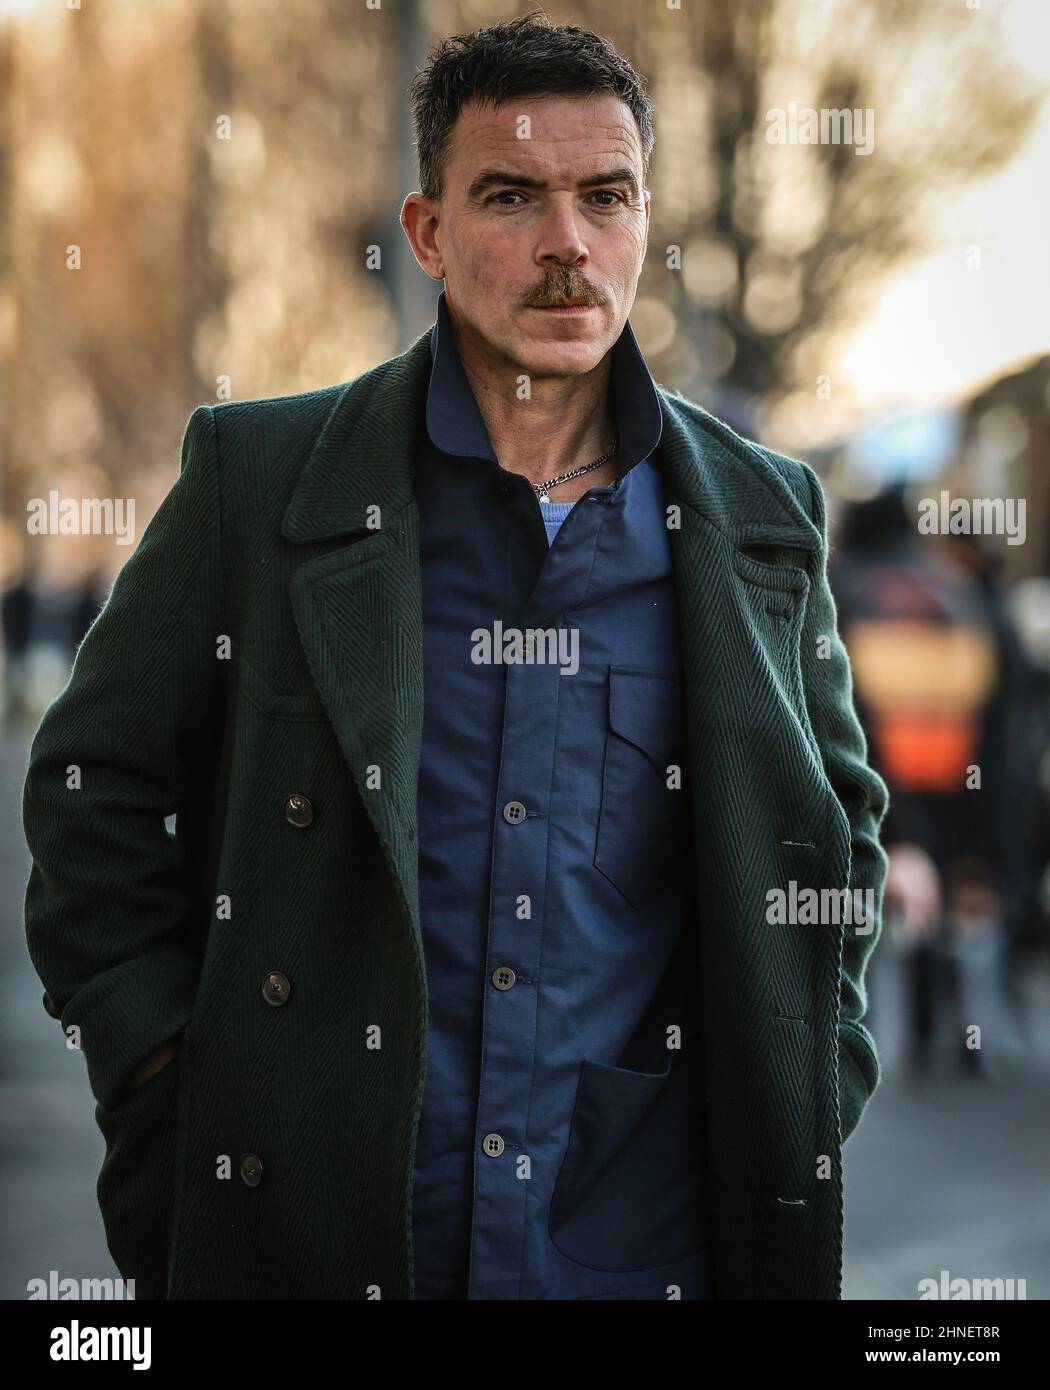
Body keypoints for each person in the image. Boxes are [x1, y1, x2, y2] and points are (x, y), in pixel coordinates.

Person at [21, 11, 888, 1301]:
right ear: (426, 232)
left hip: (643, 1253)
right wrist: (168, 1083)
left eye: (606, 197)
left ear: (645, 219)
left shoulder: (758, 520)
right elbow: (91, 790)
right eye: (511, 197)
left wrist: (814, 1074)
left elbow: (835, 834)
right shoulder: (259, 483)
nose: (566, 246)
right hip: (328, 1242)